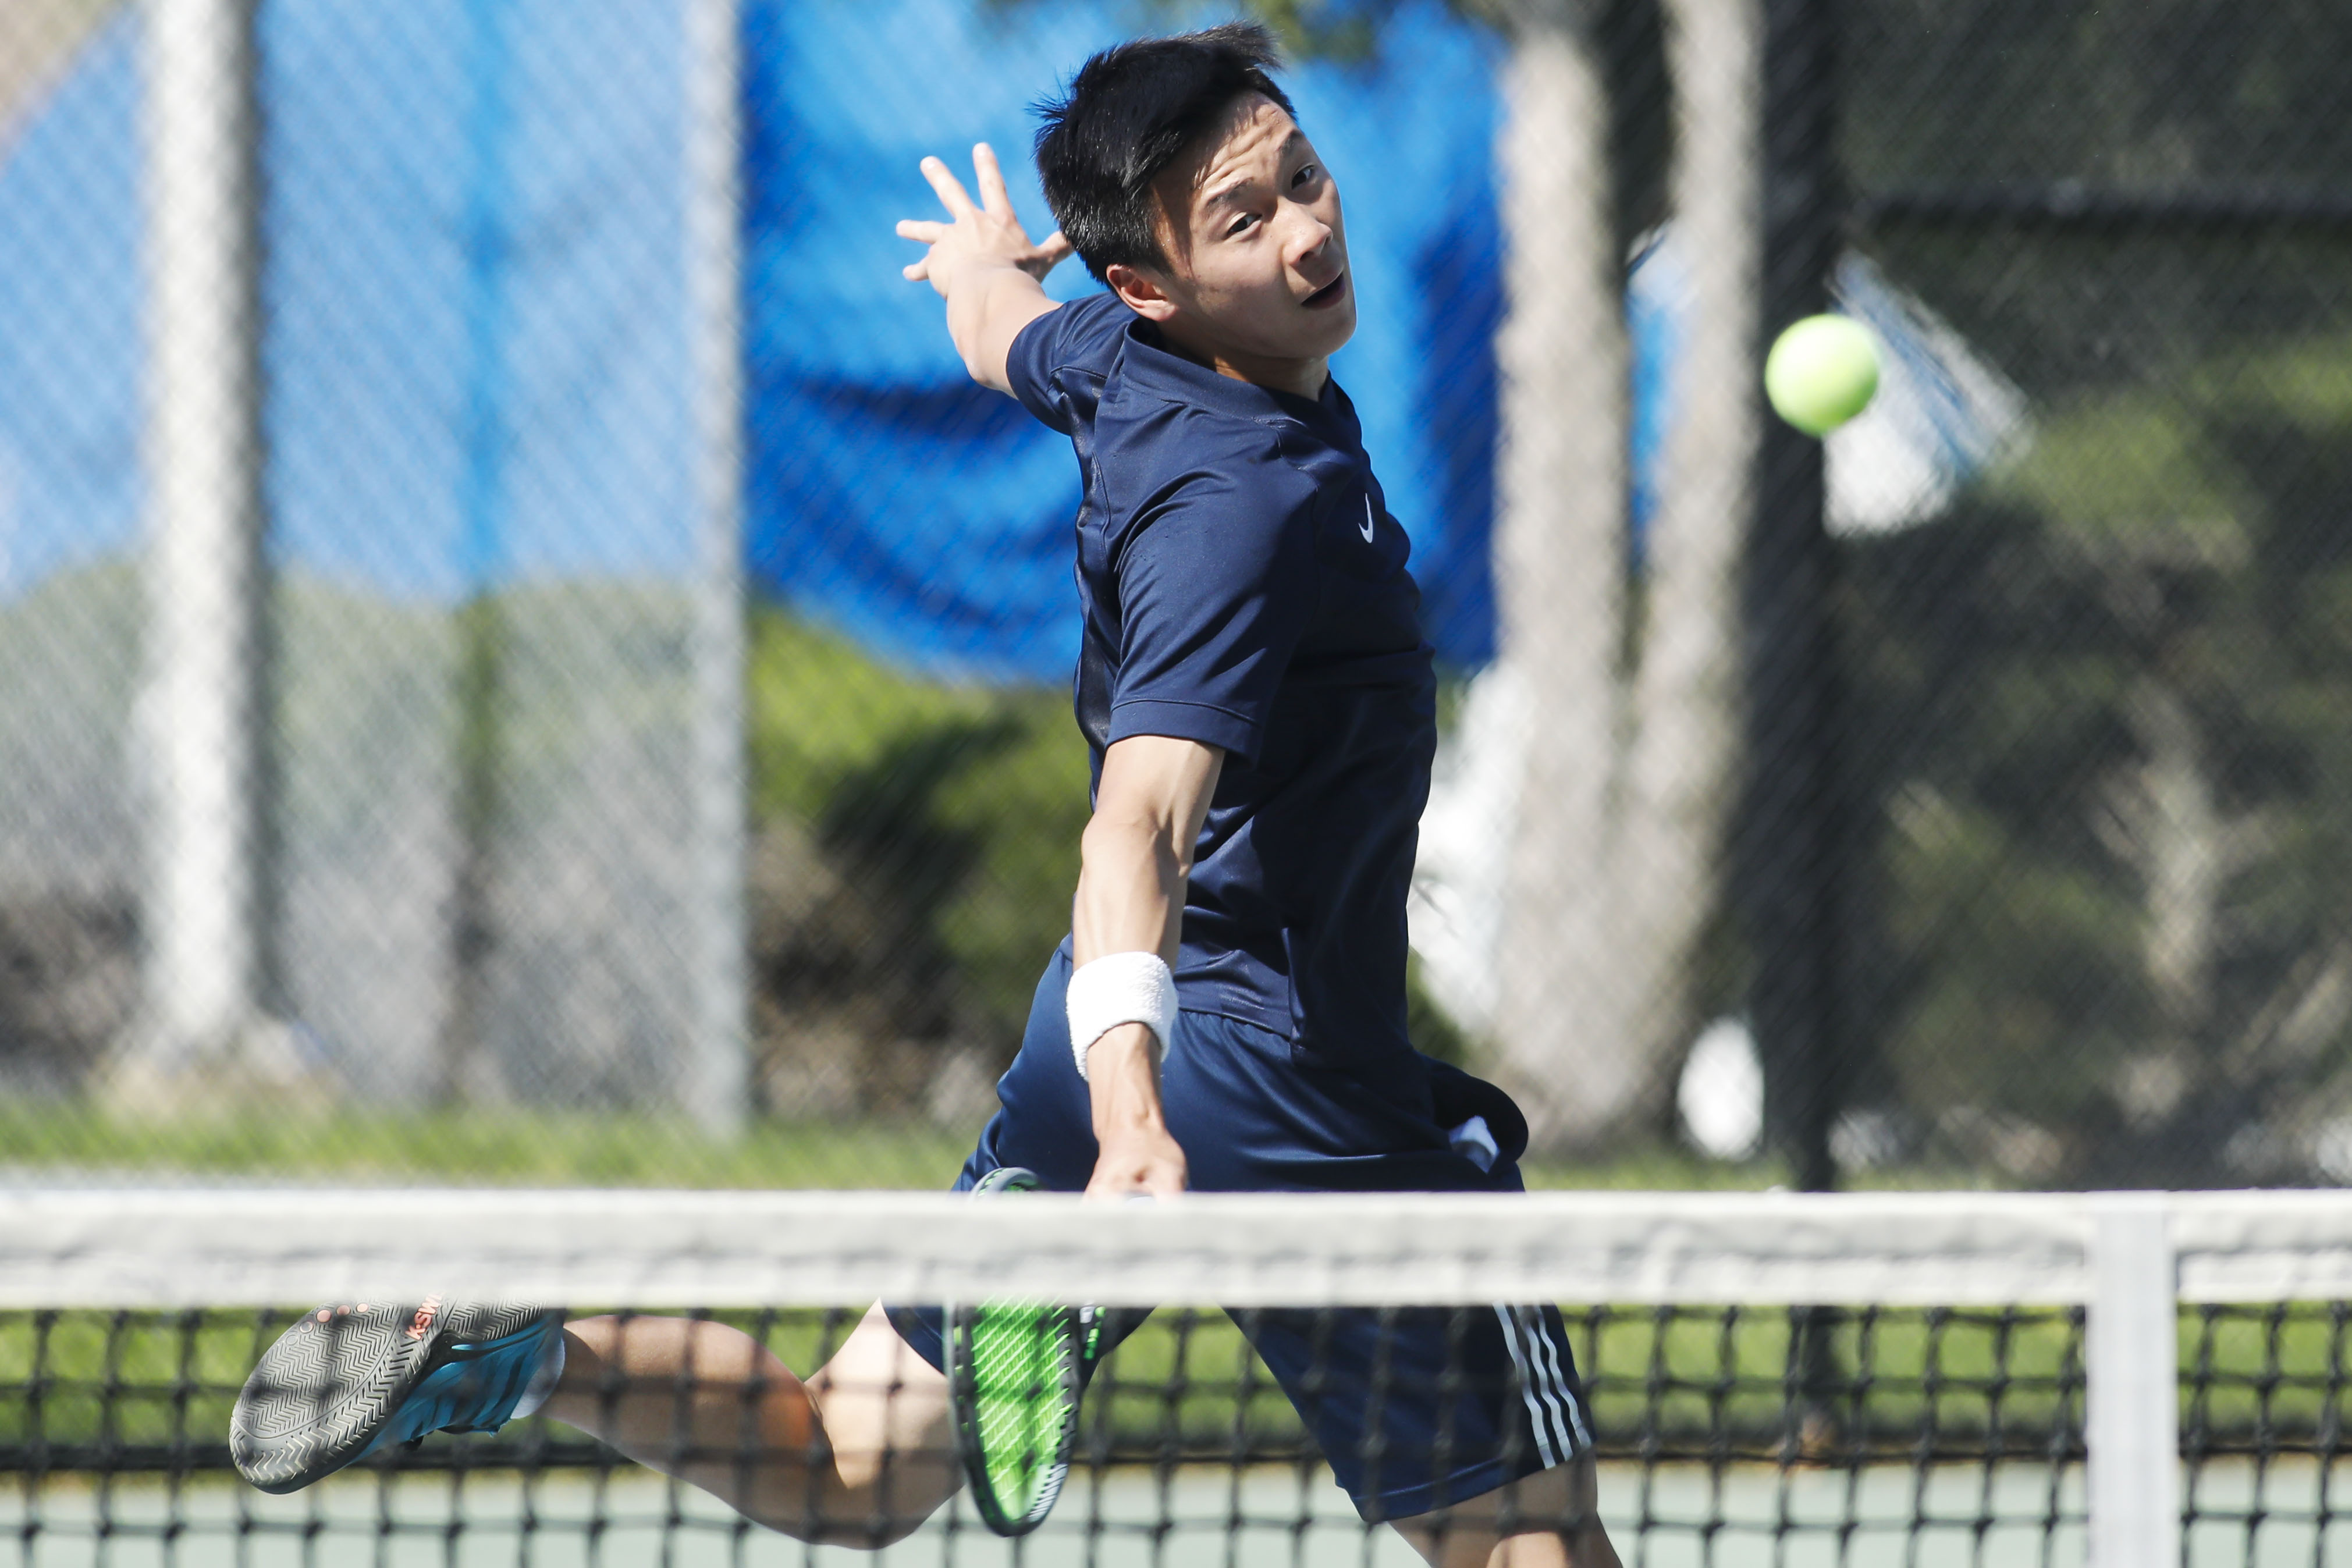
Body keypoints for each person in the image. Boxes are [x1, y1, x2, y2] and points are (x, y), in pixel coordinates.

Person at [230, 25, 1620, 1568]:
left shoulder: (1112, 357)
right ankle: (1098, 1216)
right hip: (1277, 1093)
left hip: (1076, 1031)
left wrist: (975, 263)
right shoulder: (1247, 512)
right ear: (1152, 285)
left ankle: (526, 1351)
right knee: (1526, 1543)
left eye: (1303, 179)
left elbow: (997, 327)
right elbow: (1136, 824)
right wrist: (1136, 1115)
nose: (1308, 231)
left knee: (847, 1468)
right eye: (1247, 218)